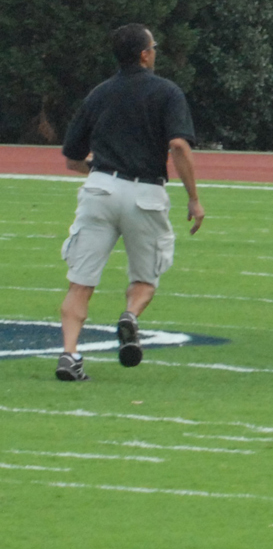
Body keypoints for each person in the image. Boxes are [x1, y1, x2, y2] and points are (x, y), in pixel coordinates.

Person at [53, 24, 205, 381]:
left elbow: (73, 158)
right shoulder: (166, 91)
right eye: (153, 46)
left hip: (100, 189)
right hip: (146, 193)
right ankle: (130, 317)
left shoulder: (99, 94)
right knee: (146, 278)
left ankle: (70, 355)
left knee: (80, 282)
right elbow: (180, 146)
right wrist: (194, 198)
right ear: (144, 54)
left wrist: (102, 170)